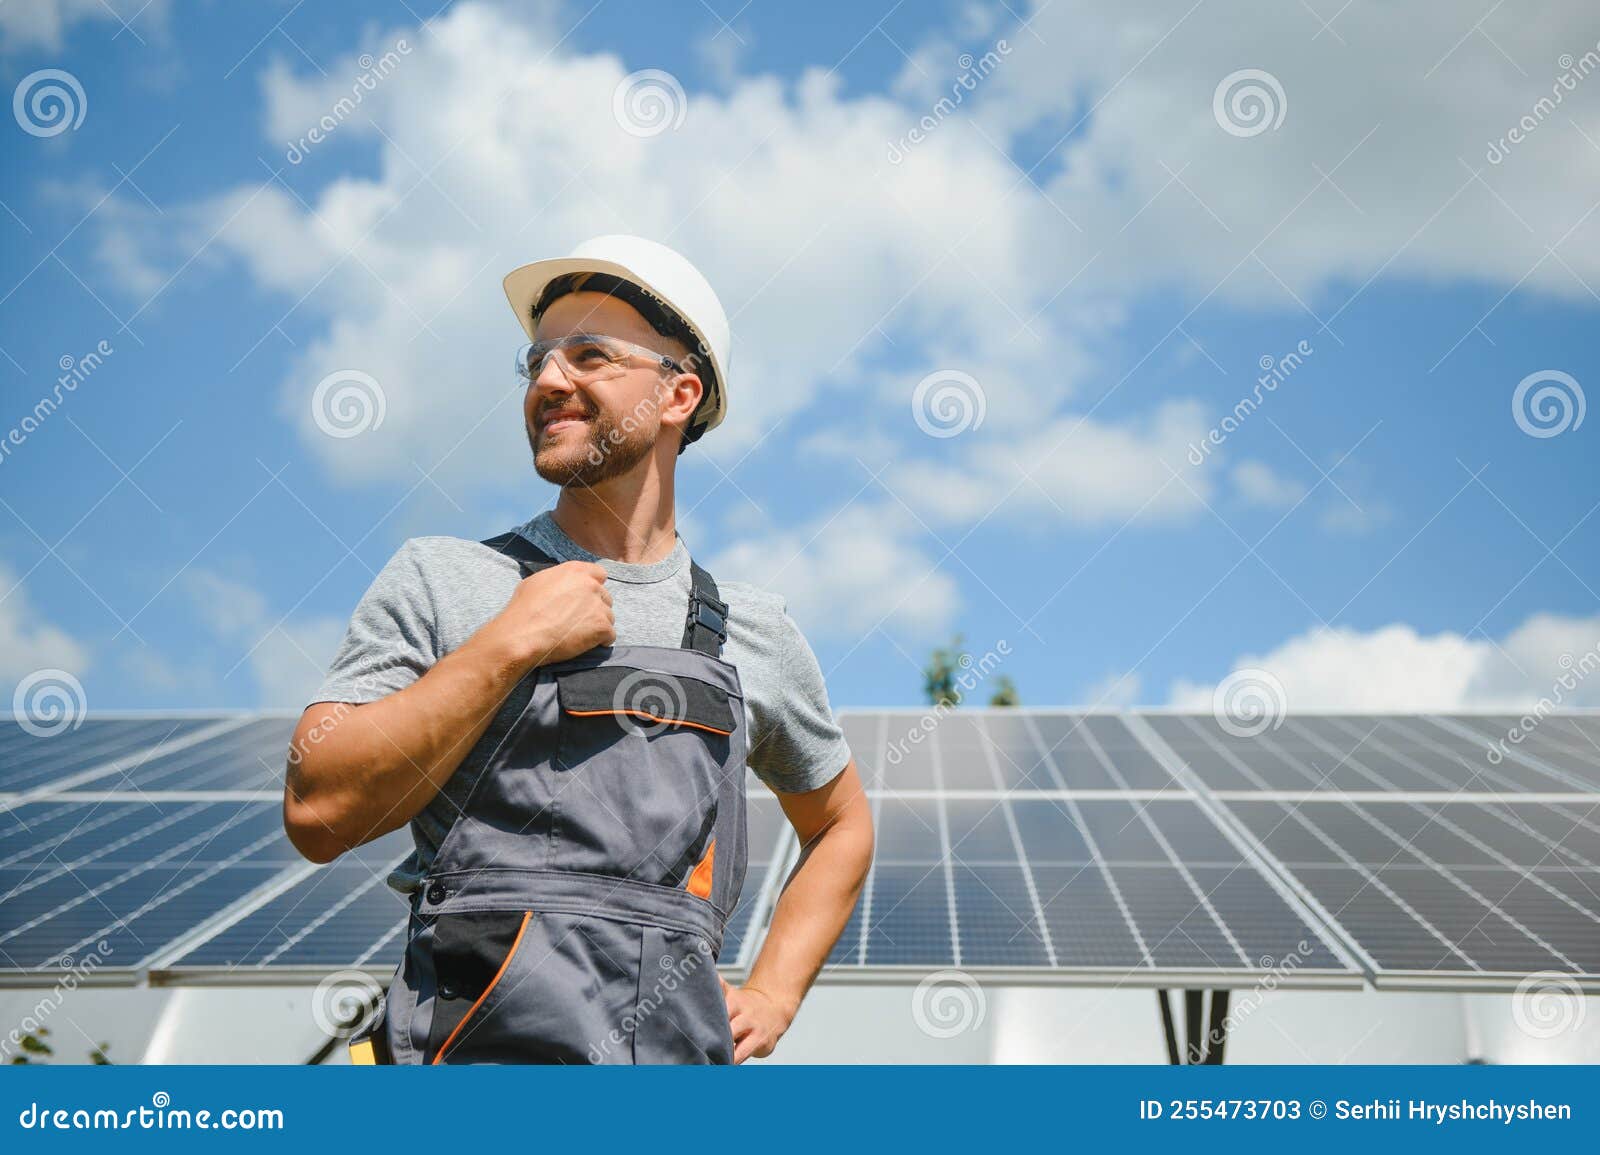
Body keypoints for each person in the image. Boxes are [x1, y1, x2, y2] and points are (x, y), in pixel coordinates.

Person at [283, 235, 873, 1065]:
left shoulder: (754, 629)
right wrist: (507, 646)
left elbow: (842, 824)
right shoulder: (444, 578)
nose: (549, 381)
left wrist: (774, 993)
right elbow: (317, 810)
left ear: (678, 395)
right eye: (537, 361)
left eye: (589, 355)